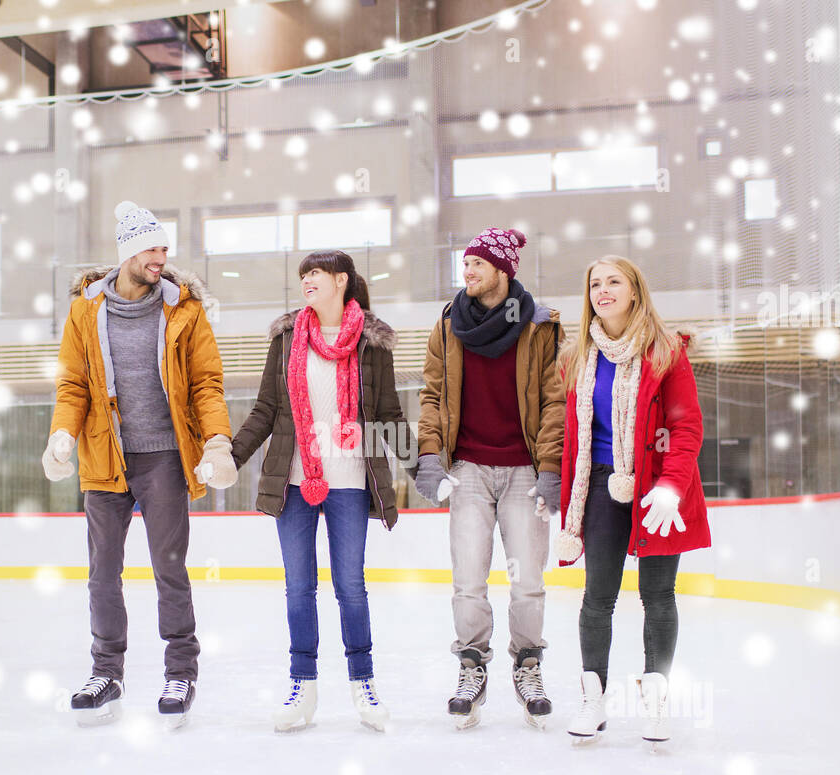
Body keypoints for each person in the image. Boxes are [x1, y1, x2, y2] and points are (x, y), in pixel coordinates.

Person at [42, 200, 237, 728]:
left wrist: (217, 441)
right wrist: (62, 431)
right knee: (102, 573)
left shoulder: (184, 310)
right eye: (152, 248)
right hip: (106, 457)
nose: (161, 257)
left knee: (169, 568)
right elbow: (73, 384)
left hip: (166, 460)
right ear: (127, 252)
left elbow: (205, 383)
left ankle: (181, 672)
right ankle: (106, 670)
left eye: (164, 249)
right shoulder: (85, 310)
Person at [231, 250, 416, 732]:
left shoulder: (372, 344)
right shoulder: (288, 338)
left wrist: (425, 468)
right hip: (294, 481)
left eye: (316, 273)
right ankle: (302, 686)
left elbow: (391, 416)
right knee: (299, 588)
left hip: (352, 482)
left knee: (350, 587)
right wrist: (230, 457)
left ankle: (364, 683)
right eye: (303, 275)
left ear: (341, 281)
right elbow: (266, 410)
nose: (307, 280)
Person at [555, 255, 711, 743]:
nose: (602, 290)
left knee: (658, 596)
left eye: (613, 282)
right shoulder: (580, 356)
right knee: (597, 597)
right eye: (594, 283)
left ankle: (656, 702)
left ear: (635, 291)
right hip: (601, 486)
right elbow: (573, 437)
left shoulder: (665, 351)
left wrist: (670, 486)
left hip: (657, 486)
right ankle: (593, 700)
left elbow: (686, 426)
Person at [414, 228, 565, 729]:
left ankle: (527, 665)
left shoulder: (539, 326)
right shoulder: (447, 324)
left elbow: (553, 403)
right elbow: (433, 395)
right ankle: (472, 666)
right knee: (469, 582)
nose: (469, 272)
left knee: (527, 583)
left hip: (524, 470)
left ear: (504, 270)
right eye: (466, 264)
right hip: (469, 471)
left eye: (478, 264)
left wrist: (549, 470)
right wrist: (430, 457)